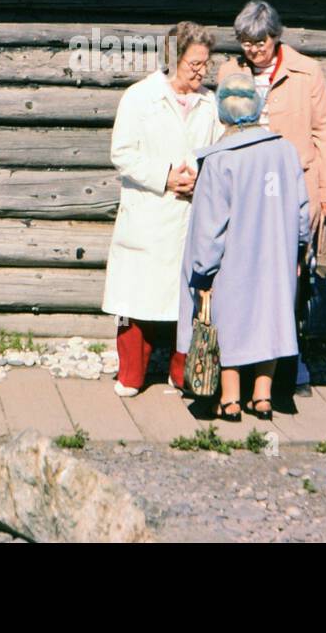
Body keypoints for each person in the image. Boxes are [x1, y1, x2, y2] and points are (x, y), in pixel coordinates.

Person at [217, 0, 326, 401]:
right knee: (243, 277)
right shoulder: (229, 71)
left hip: (293, 189)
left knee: (289, 278)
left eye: (260, 42)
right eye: (245, 42)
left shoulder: (307, 73)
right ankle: (241, 366)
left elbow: (324, 132)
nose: (252, 50)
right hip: (245, 189)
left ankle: (289, 363)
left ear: (276, 37)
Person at [176, 72, 312, 421]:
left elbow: (210, 227)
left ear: (222, 112)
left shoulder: (219, 160)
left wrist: (202, 271)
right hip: (277, 256)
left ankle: (231, 398)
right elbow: (301, 211)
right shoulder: (285, 151)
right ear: (258, 107)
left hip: (234, 261)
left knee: (228, 321)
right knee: (271, 318)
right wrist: (298, 249)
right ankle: (263, 396)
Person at [101, 22, 221, 397]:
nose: (201, 72)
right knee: (137, 295)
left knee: (185, 295)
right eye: (194, 65)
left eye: (205, 65)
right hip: (149, 211)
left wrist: (199, 179)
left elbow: (218, 151)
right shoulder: (139, 97)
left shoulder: (210, 103)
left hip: (189, 213)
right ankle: (132, 374)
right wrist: (166, 175)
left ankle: (181, 372)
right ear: (173, 59)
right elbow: (122, 152)